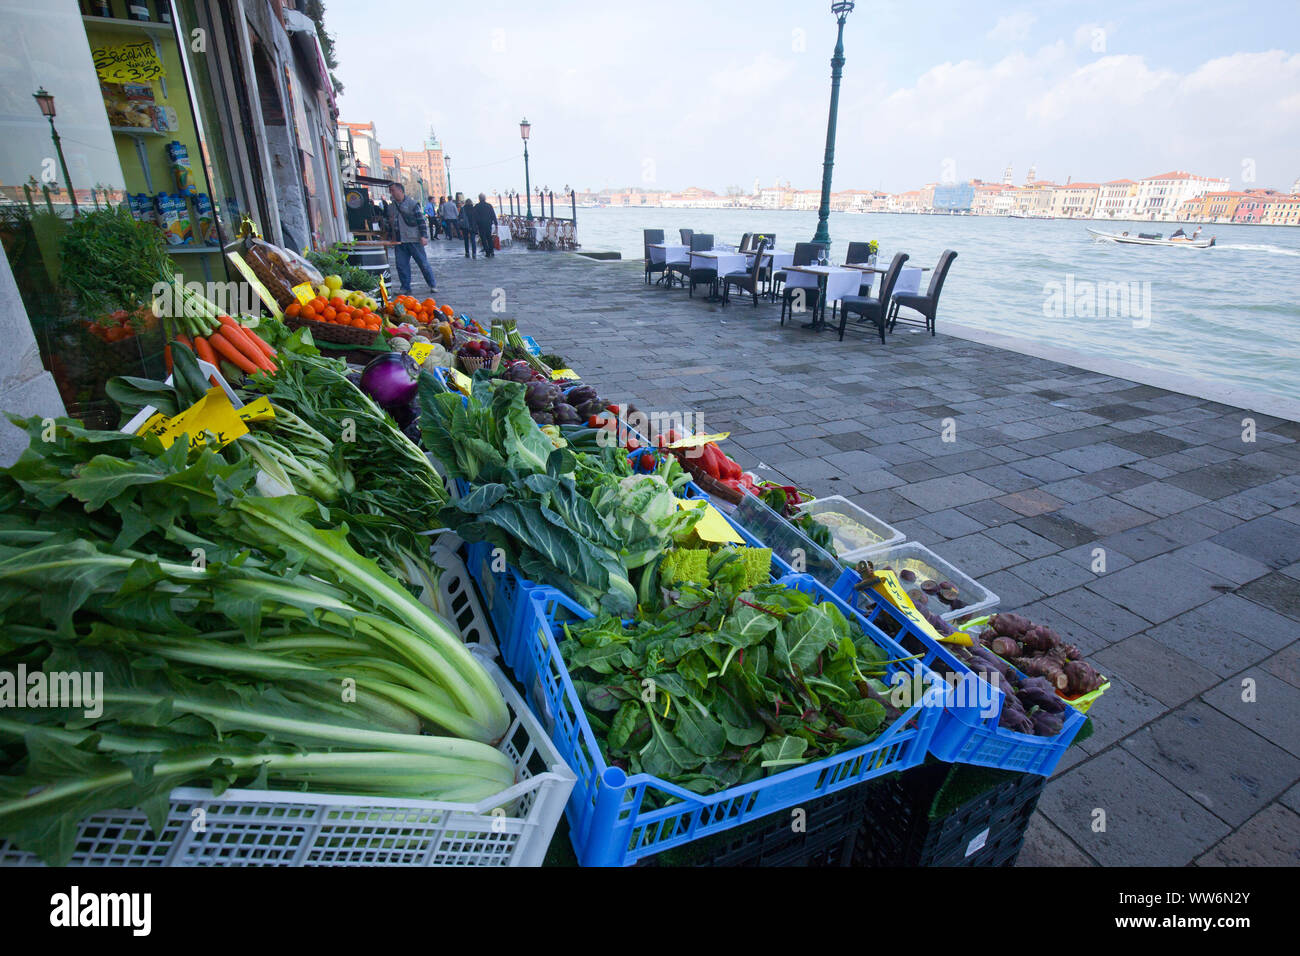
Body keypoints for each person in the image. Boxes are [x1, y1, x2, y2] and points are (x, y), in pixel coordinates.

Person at [384, 182, 436, 294]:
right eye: (390, 190)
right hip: (399, 241)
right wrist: (390, 237)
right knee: (401, 265)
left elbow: (421, 221)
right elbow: (390, 223)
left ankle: (432, 284)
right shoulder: (391, 207)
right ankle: (405, 287)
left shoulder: (412, 204)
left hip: (414, 239)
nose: (391, 193)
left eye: (393, 190)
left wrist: (424, 236)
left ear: (400, 190)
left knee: (423, 263)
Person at [473, 192, 498, 258]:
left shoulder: (476, 206)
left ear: (479, 198)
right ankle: (491, 250)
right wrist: (496, 223)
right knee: (489, 237)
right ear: (485, 198)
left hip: (480, 224)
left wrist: (475, 224)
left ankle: (487, 252)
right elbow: (493, 214)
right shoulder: (489, 206)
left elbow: (474, 216)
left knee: (483, 238)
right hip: (488, 224)